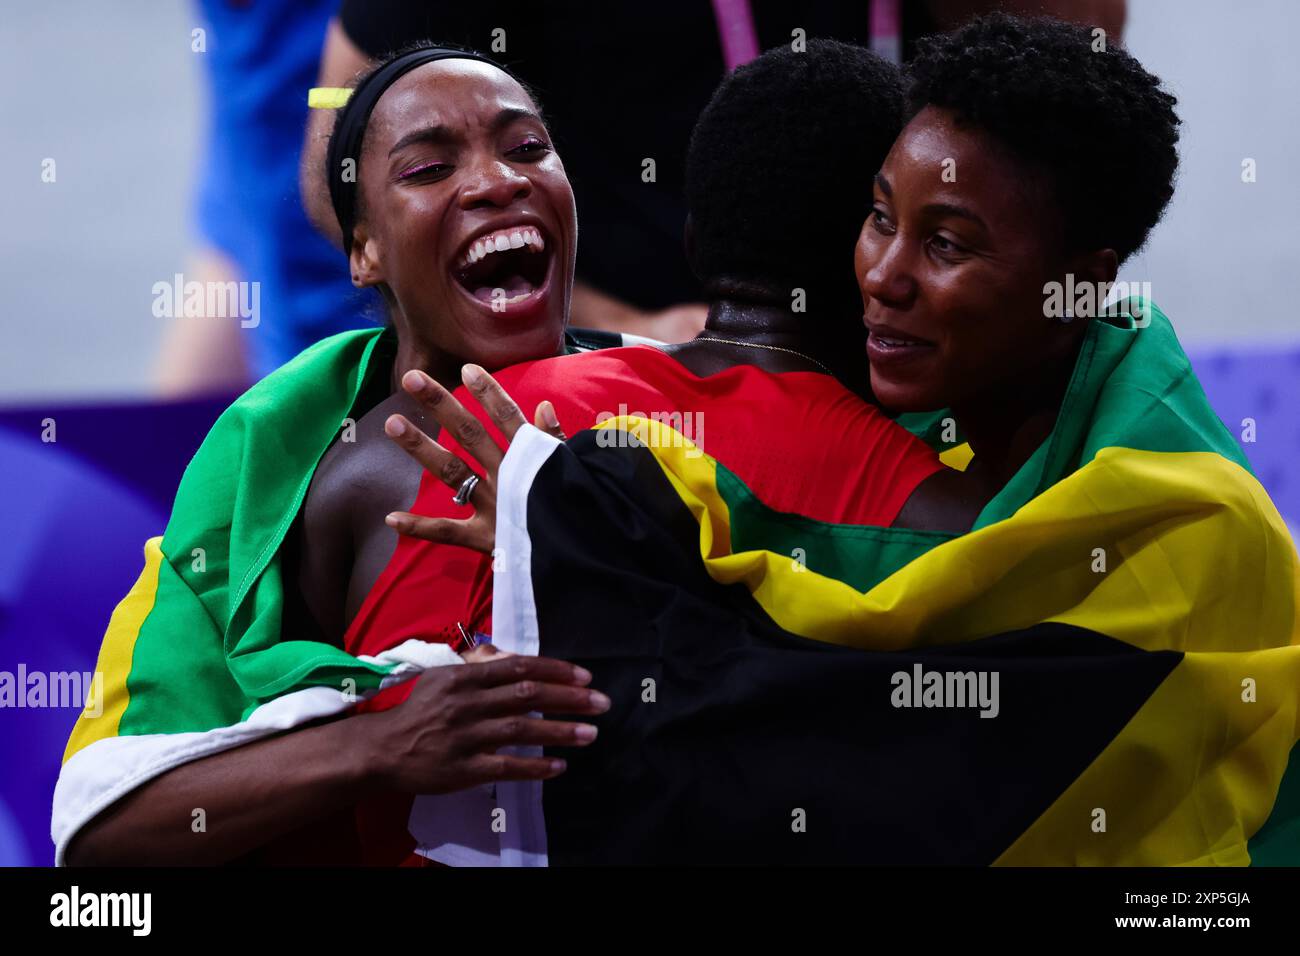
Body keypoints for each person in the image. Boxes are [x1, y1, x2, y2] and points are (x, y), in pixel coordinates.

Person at [55, 46, 617, 867]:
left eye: (528, 148)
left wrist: (584, 553)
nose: (498, 181)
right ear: (366, 253)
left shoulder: (675, 412)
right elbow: (101, 826)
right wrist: (382, 743)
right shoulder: (284, 475)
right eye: (428, 168)